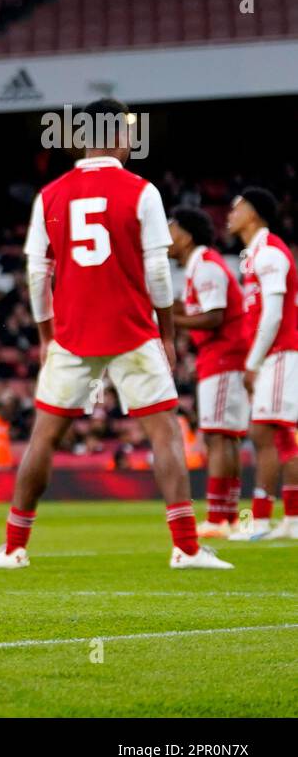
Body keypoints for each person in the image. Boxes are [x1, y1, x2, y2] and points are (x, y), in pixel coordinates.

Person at [0, 98, 231, 570]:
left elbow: (38, 274)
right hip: (133, 329)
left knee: (44, 437)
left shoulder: (51, 194)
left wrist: (44, 335)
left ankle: (14, 547)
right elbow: (159, 272)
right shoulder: (143, 191)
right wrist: (169, 333)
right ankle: (186, 547)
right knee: (164, 434)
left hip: (72, 334)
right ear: (119, 137)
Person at [168, 205, 249, 538]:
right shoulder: (200, 266)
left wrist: (171, 320)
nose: (166, 238)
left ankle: (217, 518)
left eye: (171, 230)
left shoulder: (206, 266)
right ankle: (227, 516)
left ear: (186, 235)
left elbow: (213, 317)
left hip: (222, 357)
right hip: (226, 358)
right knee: (225, 438)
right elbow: (196, 309)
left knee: (217, 437)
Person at [225, 187, 298, 541]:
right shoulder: (254, 254)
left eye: (236, 208)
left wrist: (252, 363)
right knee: (282, 435)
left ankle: (258, 520)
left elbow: (272, 315)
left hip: (280, 352)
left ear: (254, 213)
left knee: (264, 433)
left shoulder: (269, 253)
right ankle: (292, 520)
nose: (229, 214)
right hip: (274, 353)